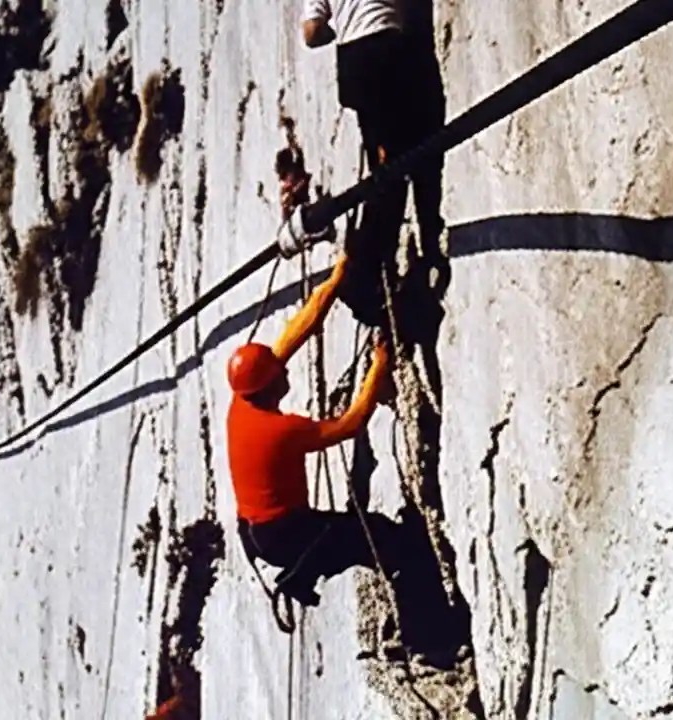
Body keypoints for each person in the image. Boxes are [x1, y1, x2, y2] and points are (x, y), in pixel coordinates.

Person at [225, 253, 393, 606]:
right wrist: (379, 367)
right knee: (379, 538)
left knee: (359, 538)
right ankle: (427, 639)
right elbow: (350, 424)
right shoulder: (280, 431)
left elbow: (298, 330)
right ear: (269, 387)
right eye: (279, 373)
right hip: (285, 536)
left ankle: (301, 574)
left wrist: (335, 279)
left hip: (257, 531)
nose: (284, 371)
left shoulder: (244, 399)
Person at [300, 0, 436, 329]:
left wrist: (340, 26)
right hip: (390, 47)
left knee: (386, 168)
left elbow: (312, 32)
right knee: (394, 169)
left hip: (354, 61)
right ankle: (366, 275)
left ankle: (370, 274)